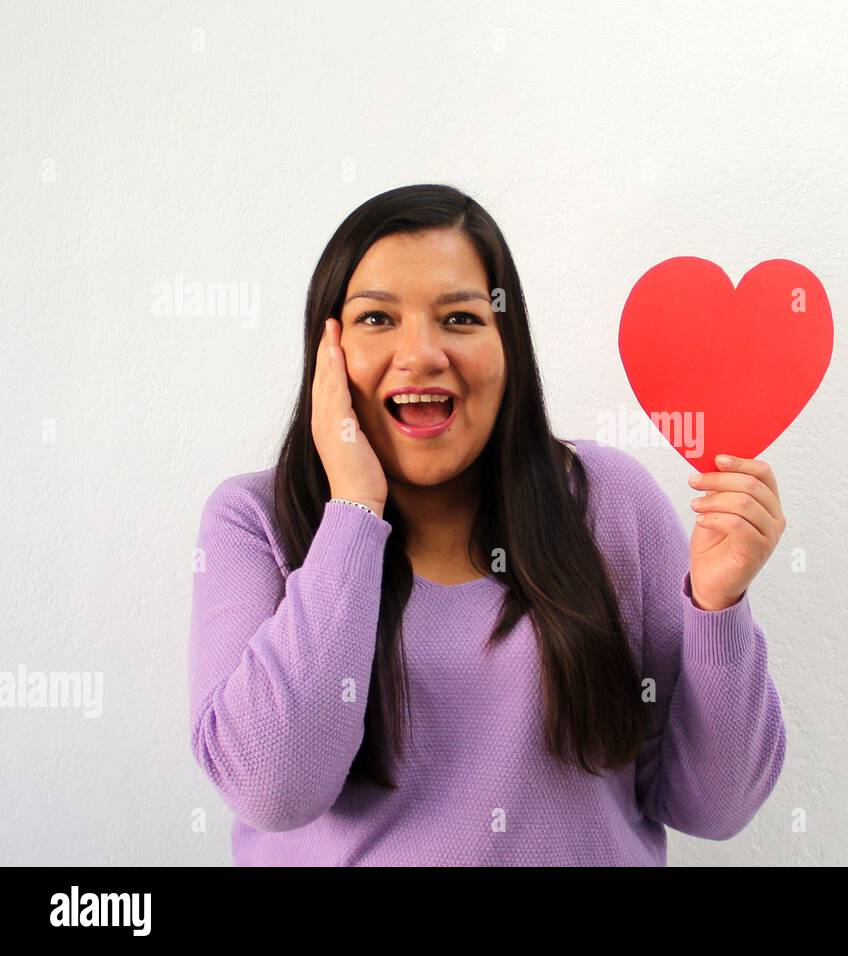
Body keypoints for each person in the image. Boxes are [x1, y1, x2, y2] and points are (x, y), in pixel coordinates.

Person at [188, 184, 788, 865]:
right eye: (378, 320)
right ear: (328, 352)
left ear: (510, 347)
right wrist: (353, 508)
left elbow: (715, 808)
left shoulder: (610, 502)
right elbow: (274, 791)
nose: (421, 354)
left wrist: (718, 604)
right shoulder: (251, 522)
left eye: (461, 319)